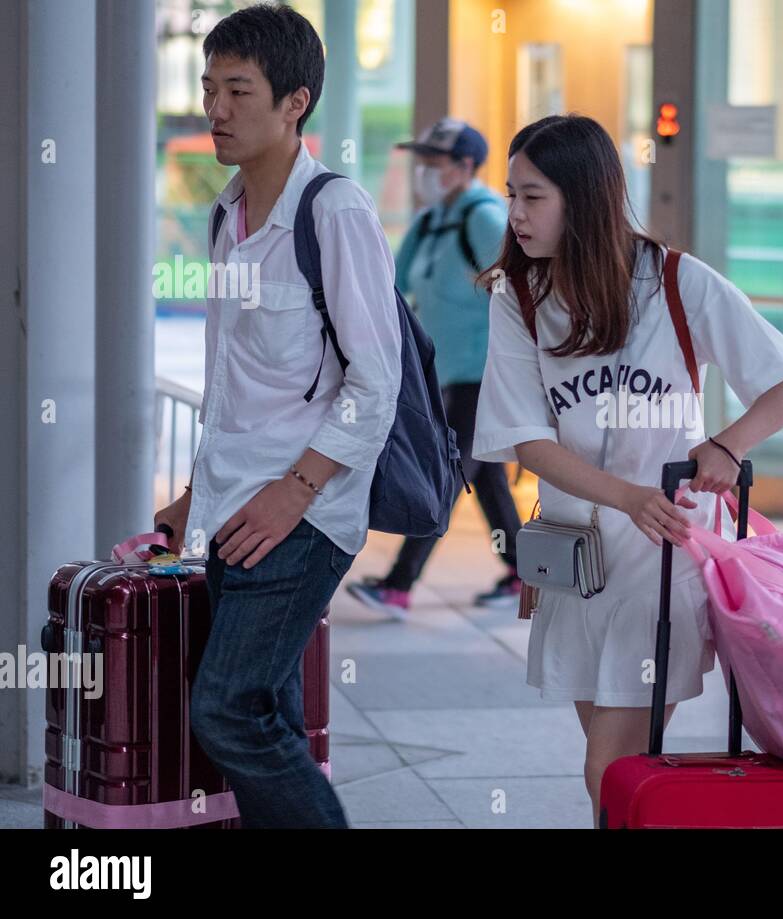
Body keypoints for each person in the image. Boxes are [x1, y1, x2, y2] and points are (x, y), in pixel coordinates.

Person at [471, 114, 783, 827]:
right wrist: (626, 497)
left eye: (533, 196)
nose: (515, 214)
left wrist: (725, 445)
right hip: (573, 558)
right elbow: (526, 442)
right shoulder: (520, 296)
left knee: (611, 766)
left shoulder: (677, 281)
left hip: (663, 560)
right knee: (618, 769)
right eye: (511, 194)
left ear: (584, 195)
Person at [152, 4, 401, 827]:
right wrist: (196, 493)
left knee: (227, 710)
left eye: (238, 91)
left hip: (300, 512)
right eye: (208, 88)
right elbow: (234, 379)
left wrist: (295, 488)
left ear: (294, 102)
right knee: (269, 717)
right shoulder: (228, 215)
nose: (215, 109)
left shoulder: (335, 212)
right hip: (233, 506)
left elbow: (378, 378)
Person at [347, 118, 523, 617]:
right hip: (443, 375)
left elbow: (518, 292)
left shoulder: (485, 218)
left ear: (465, 167)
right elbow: (391, 286)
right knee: (482, 477)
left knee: (443, 474)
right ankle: (522, 573)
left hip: (485, 376)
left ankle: (400, 585)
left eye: (435, 161)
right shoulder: (429, 223)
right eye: (421, 160)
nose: (424, 170)